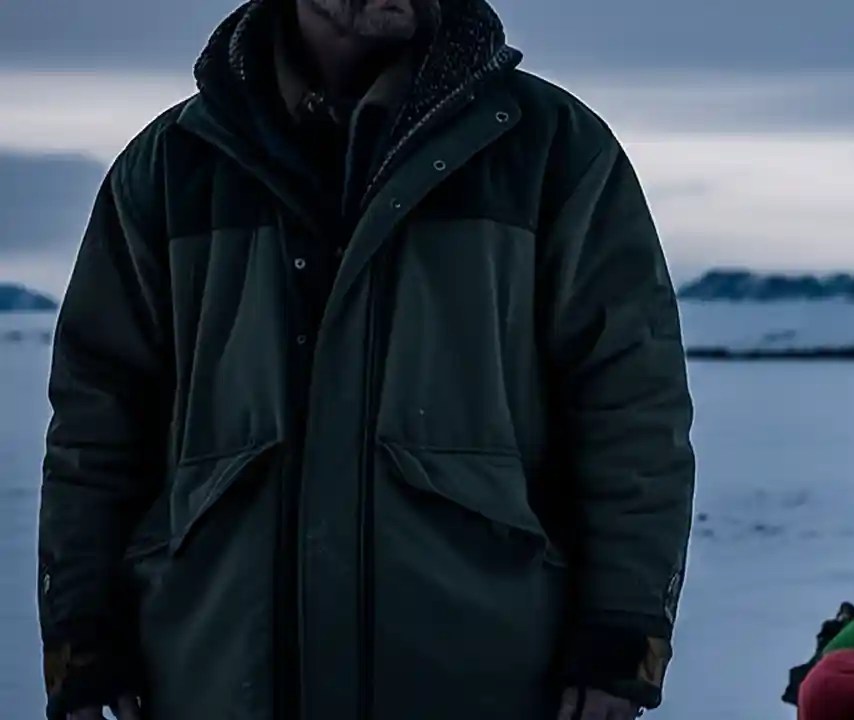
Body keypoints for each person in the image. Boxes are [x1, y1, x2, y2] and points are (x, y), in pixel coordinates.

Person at [37, 0, 696, 718]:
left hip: (483, 676)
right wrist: (83, 642)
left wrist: (621, 638)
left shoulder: (552, 151)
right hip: (214, 675)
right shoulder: (170, 168)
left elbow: (632, 410)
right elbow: (95, 428)